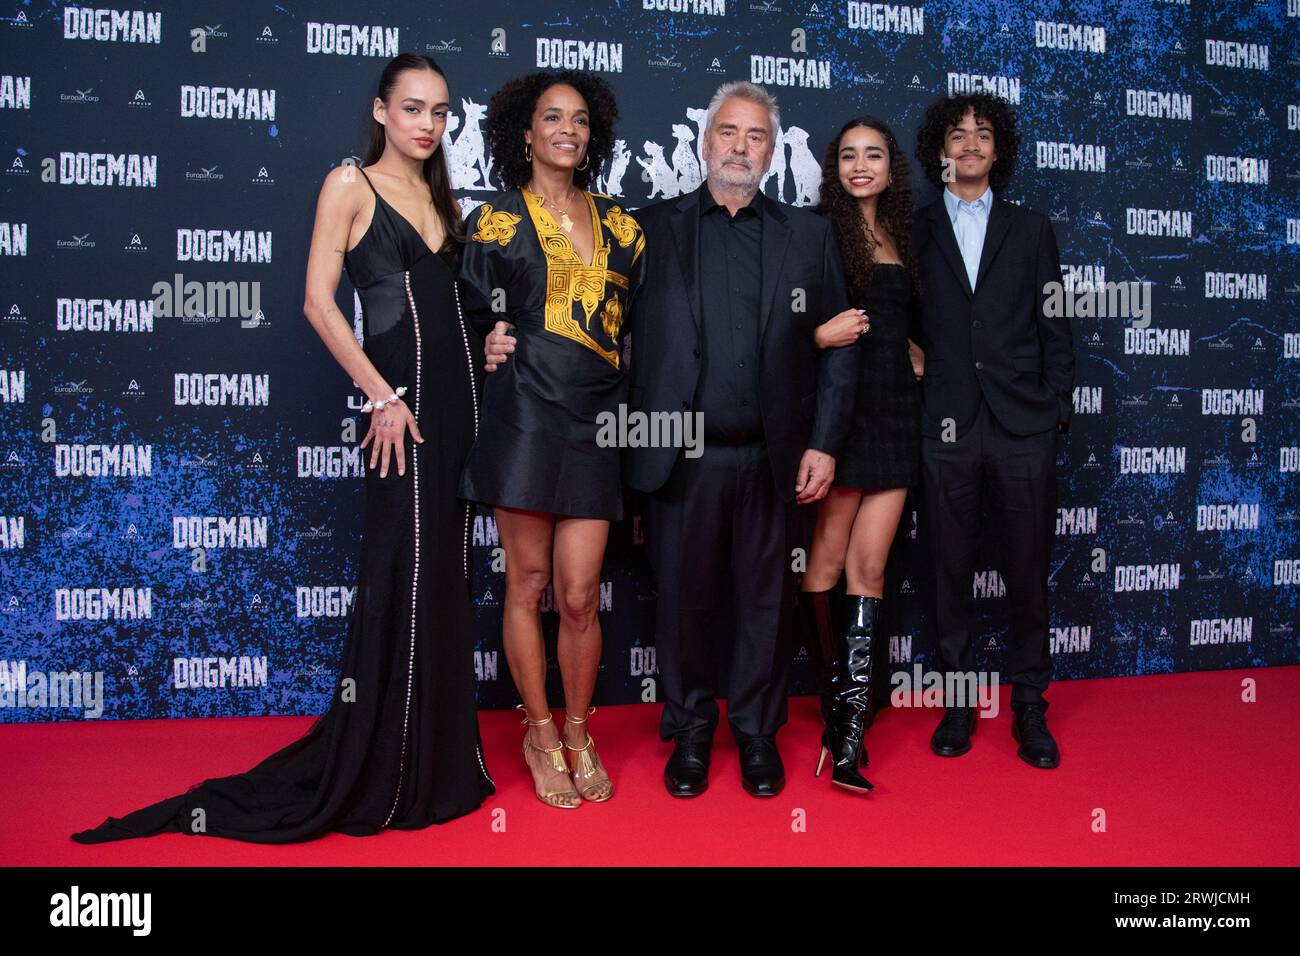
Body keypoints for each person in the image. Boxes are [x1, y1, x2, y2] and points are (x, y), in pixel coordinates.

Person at [70, 54, 494, 844]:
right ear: (380, 112)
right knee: (398, 581)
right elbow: (315, 301)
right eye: (412, 109)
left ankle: (438, 763)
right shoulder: (350, 186)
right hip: (402, 415)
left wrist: (490, 342)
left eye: (439, 112)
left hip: (460, 417)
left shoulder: (446, 199)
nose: (428, 125)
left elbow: (450, 314)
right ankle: (386, 771)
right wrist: (381, 395)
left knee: (444, 581)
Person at [491, 81, 858, 798]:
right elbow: (585, 317)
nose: (740, 147)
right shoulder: (642, 230)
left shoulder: (808, 236)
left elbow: (839, 344)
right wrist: (499, 334)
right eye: (728, 132)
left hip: (773, 456)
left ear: (772, 150)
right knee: (683, 604)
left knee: (763, 606)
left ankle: (755, 735)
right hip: (676, 453)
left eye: (755, 136)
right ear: (704, 142)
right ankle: (689, 731)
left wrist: (825, 442)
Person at [458, 71, 644, 809]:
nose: (566, 129)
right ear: (525, 134)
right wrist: (484, 343)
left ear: (591, 135)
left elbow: (641, 333)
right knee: (529, 584)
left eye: (579, 120)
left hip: (596, 423)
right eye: (551, 118)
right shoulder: (496, 222)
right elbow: (465, 323)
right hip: (525, 420)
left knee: (577, 596)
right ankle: (538, 732)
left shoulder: (625, 227)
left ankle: (577, 729)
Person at [911, 92, 1074, 768]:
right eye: (958, 134)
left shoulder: (1032, 229)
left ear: (998, 150)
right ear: (940, 151)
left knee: (1027, 574)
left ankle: (1030, 706)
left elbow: (1054, 328)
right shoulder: (913, 228)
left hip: (1020, 428)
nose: (970, 144)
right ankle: (956, 704)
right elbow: (893, 315)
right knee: (947, 574)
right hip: (944, 425)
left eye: (983, 135)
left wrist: (1051, 412)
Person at [798, 116, 923, 793]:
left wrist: (918, 355)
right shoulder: (818, 231)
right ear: (834, 167)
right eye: (848, 155)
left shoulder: (905, 234)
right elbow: (786, 324)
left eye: (873, 154)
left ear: (890, 165)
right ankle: (833, 705)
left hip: (899, 417)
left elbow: (912, 325)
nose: (860, 165)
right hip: (842, 417)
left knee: (869, 568)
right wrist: (818, 336)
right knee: (824, 560)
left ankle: (849, 738)